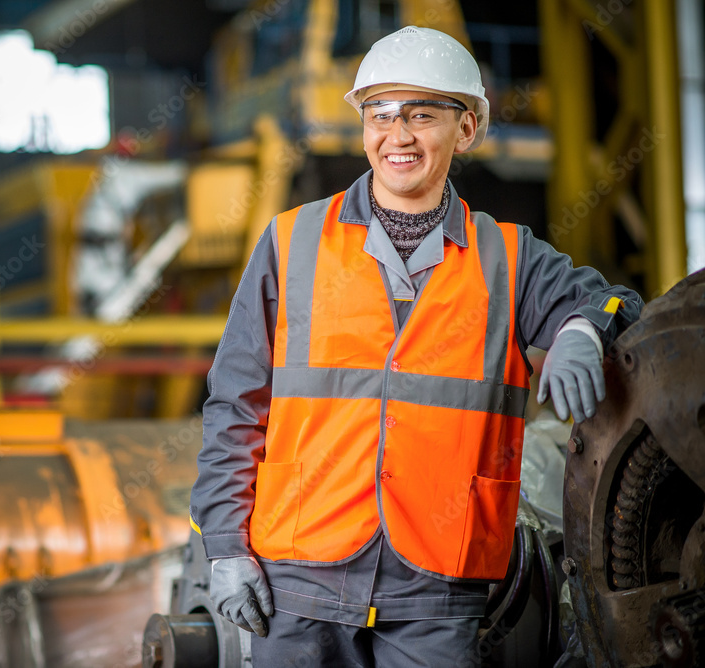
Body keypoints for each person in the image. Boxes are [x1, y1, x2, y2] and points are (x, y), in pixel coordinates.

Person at [189, 25, 644, 667]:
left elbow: (612, 300)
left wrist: (580, 329)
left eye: (421, 115)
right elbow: (234, 405)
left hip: (439, 585)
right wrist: (225, 545)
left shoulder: (508, 259)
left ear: (465, 131)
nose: (397, 135)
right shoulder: (291, 243)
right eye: (381, 114)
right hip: (299, 580)